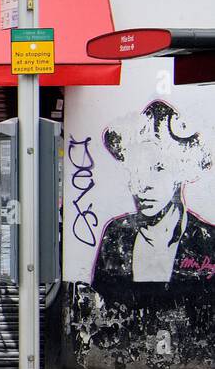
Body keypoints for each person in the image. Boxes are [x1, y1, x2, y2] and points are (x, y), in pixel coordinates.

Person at [92, 100, 215, 305]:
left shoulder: (207, 241)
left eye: (158, 168)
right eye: (136, 169)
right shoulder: (116, 235)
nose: (143, 185)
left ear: (181, 171)